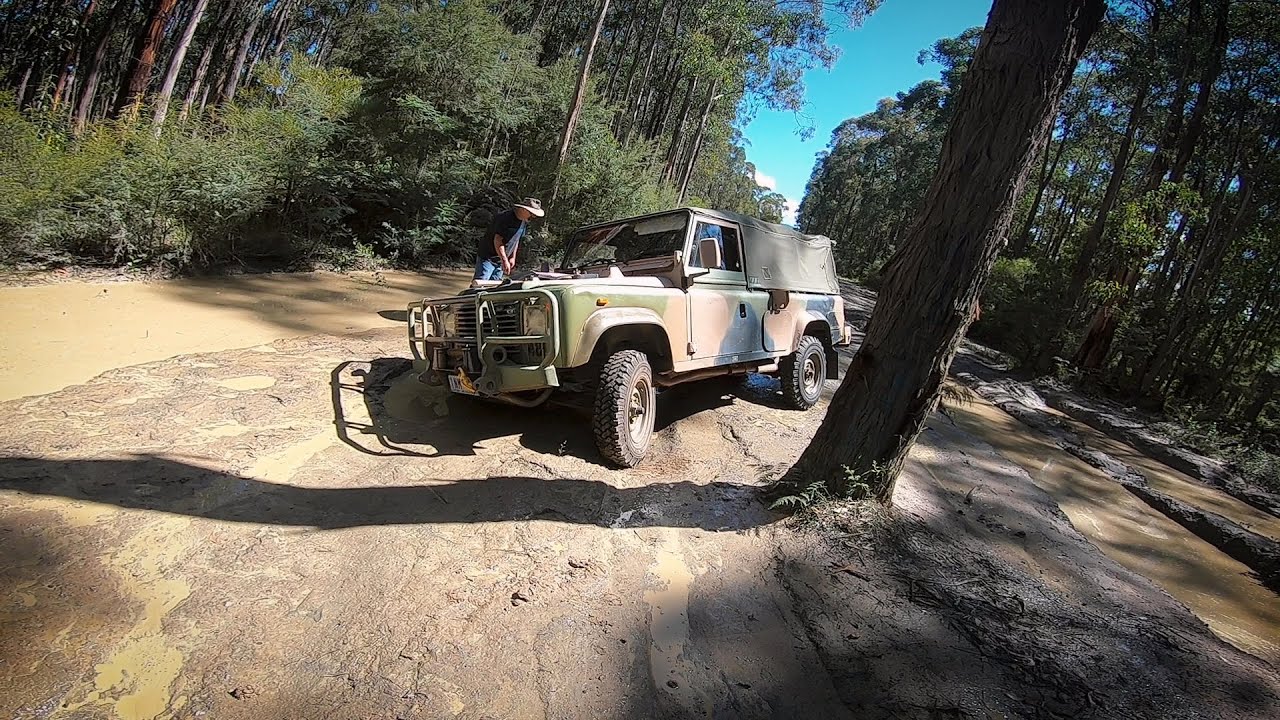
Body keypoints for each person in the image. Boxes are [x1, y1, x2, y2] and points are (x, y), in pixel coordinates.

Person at [475, 197, 544, 282]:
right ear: (523, 210)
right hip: (487, 258)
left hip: (501, 261)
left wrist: (512, 257)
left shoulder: (523, 221)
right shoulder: (504, 218)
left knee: (494, 288)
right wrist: (504, 260)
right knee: (479, 284)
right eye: (532, 213)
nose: (533, 217)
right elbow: (498, 240)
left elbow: (516, 239)